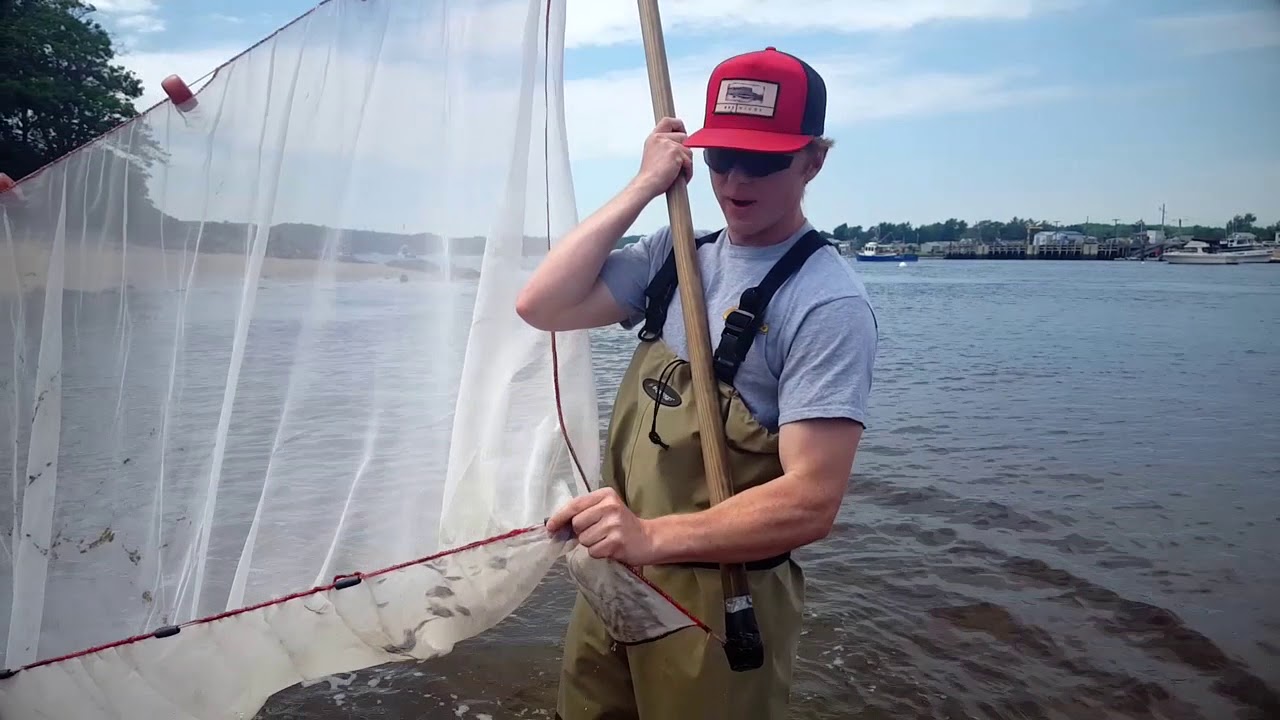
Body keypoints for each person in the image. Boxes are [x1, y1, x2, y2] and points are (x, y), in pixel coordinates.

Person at [515, 46, 878, 719]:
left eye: (764, 160)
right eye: (721, 157)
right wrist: (643, 187)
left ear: (813, 160)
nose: (737, 180)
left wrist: (653, 538)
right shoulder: (674, 253)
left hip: (722, 602)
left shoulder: (826, 304)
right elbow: (542, 304)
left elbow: (812, 501)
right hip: (616, 578)